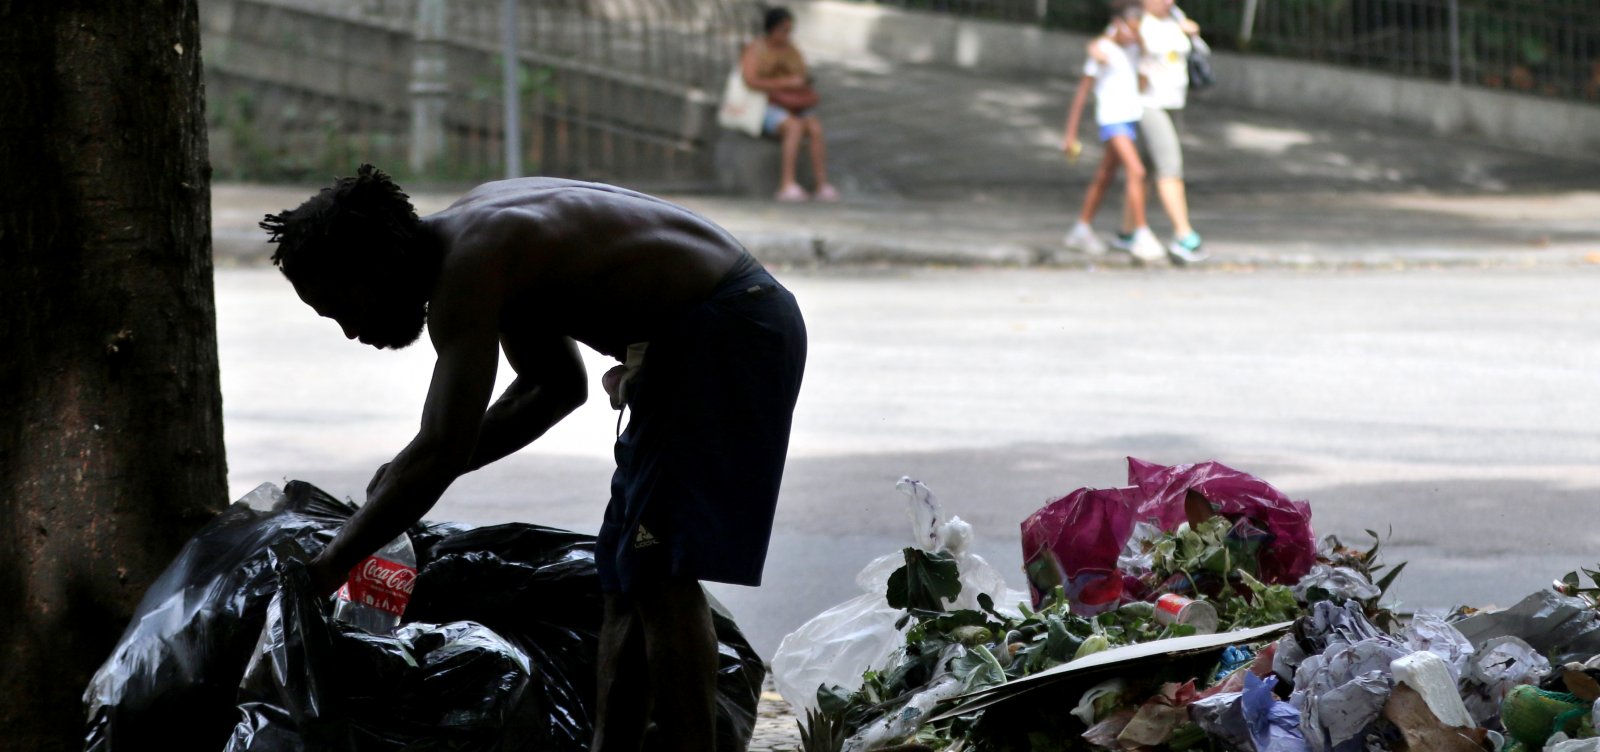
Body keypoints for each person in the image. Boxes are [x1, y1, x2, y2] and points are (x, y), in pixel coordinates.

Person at [260, 165, 807, 752]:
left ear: (373, 265)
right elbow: (551, 386)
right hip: (704, 333)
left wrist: (329, 566)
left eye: (341, 305)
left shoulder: (474, 260)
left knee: (659, 574)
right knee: (625, 576)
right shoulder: (482, 243)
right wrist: (407, 474)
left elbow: (444, 443)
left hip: (728, 329)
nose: (349, 330)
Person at [1061, 0, 1166, 263]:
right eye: (1131, 27)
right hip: (1112, 119)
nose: (1134, 33)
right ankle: (1141, 233)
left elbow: (1143, 84)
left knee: (1105, 175)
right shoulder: (1103, 51)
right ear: (1118, 25)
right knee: (1137, 171)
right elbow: (1082, 93)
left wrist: (1141, 51)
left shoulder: (1133, 50)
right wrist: (1070, 133)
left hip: (1128, 118)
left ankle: (1081, 228)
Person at [1116, 0, 1208, 264]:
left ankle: (1127, 231)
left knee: (1143, 171)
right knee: (1170, 167)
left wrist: (1191, 32)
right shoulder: (1135, 22)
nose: (1168, 1)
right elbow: (1115, 48)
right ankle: (1184, 235)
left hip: (1173, 102)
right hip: (1149, 103)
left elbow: (1198, 53)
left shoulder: (1175, 19)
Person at [740, 6, 839, 202]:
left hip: (794, 104)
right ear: (772, 29)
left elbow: (803, 73)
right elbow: (750, 80)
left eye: (789, 30)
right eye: (783, 30)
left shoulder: (791, 49)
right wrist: (783, 83)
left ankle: (821, 184)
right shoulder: (756, 49)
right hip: (766, 105)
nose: (787, 35)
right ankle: (787, 183)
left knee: (814, 127)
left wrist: (798, 82)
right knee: (793, 128)